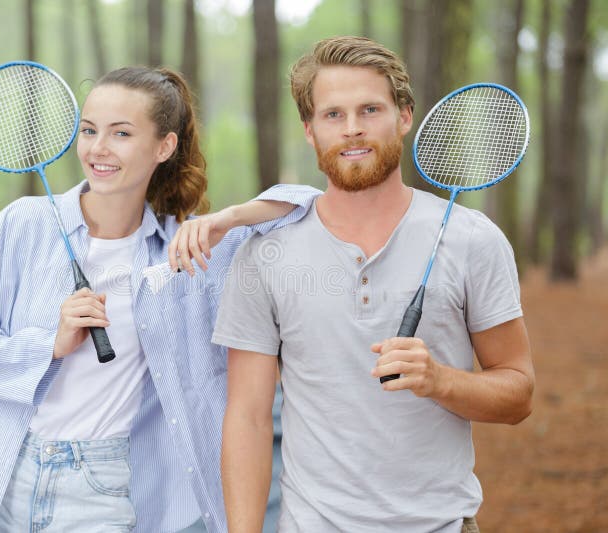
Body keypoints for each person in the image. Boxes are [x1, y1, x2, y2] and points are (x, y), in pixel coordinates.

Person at [0, 66, 319, 533]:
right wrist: (48, 344)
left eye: (121, 133)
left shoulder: (189, 252)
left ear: (164, 147)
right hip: (0, 472)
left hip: (102, 486)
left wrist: (228, 219)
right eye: (90, 130)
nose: (98, 148)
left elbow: (309, 204)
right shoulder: (23, 225)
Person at [213, 36, 535, 533]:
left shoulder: (473, 239)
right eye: (333, 115)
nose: (353, 129)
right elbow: (249, 419)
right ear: (309, 130)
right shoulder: (265, 253)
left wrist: (440, 380)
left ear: (404, 116)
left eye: (370, 109)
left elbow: (518, 394)